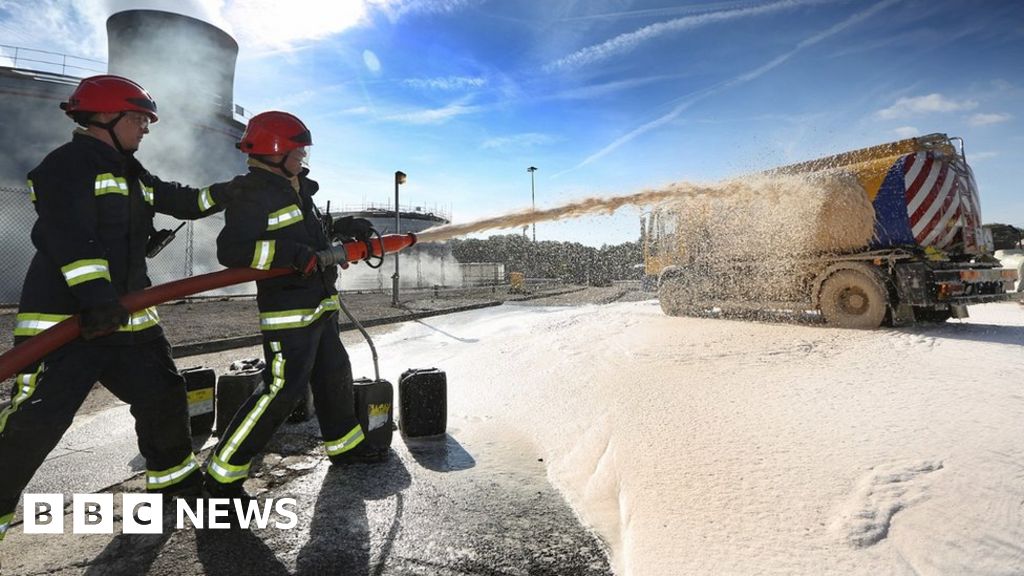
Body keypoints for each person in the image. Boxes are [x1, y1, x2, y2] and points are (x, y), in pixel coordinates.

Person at [0, 75, 233, 541]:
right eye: (140, 119)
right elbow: (67, 236)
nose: (146, 129)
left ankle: (174, 480)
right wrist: (96, 299)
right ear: (108, 117)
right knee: (36, 424)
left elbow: (184, 201)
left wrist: (236, 191)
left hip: (127, 321)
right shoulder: (65, 166)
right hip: (67, 324)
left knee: (164, 395)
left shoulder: (132, 172)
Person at [205, 111, 375, 499]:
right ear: (274, 151)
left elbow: (311, 235)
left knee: (334, 374)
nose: (304, 158)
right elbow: (231, 250)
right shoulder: (253, 193)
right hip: (288, 309)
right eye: (298, 151)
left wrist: (346, 227)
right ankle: (223, 474)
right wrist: (291, 255)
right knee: (283, 389)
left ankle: (345, 446)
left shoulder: (298, 188)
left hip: (319, 300)